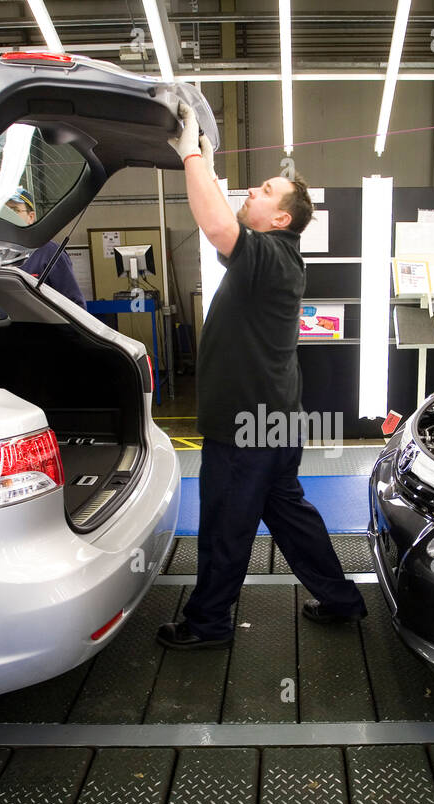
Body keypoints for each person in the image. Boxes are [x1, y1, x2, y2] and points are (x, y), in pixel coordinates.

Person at [156, 103, 366, 650]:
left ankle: (209, 624)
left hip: (247, 424)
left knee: (227, 523)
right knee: (289, 514)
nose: (253, 191)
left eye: (266, 191)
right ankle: (342, 600)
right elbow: (225, 229)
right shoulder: (274, 258)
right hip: (273, 420)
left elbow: (215, 224)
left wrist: (191, 151)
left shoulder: (271, 256)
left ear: (280, 219)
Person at [0, 188, 88, 314]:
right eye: (4, 211)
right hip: (13, 332)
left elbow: (74, 303)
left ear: (31, 217)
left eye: (15, 210)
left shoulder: (50, 253)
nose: (8, 215)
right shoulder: (0, 254)